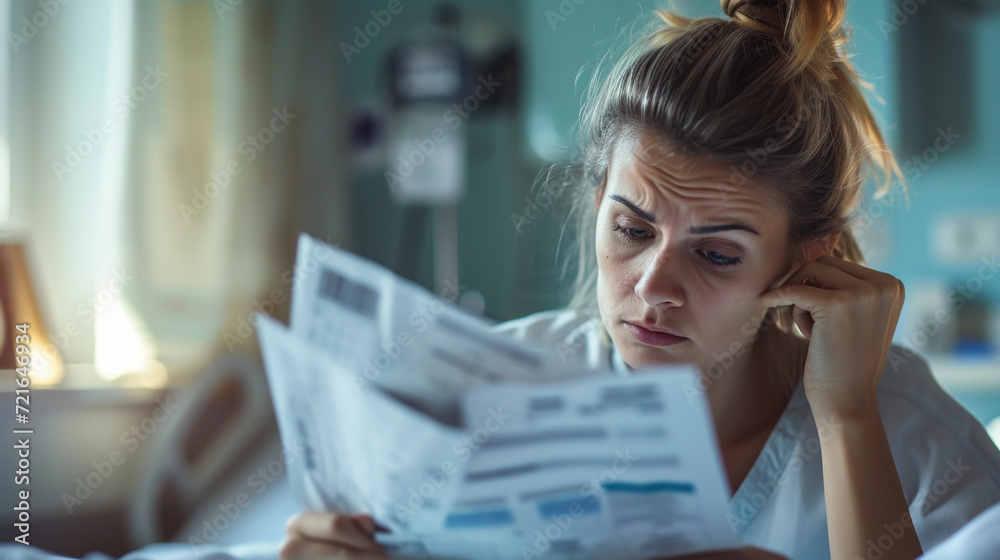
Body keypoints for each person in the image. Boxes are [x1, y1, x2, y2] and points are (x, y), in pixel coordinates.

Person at [279, 0, 1000, 558]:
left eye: (716, 255)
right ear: (598, 204)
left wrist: (846, 420)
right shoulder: (485, 402)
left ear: (801, 263)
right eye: (631, 229)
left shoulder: (917, 440)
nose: (654, 286)